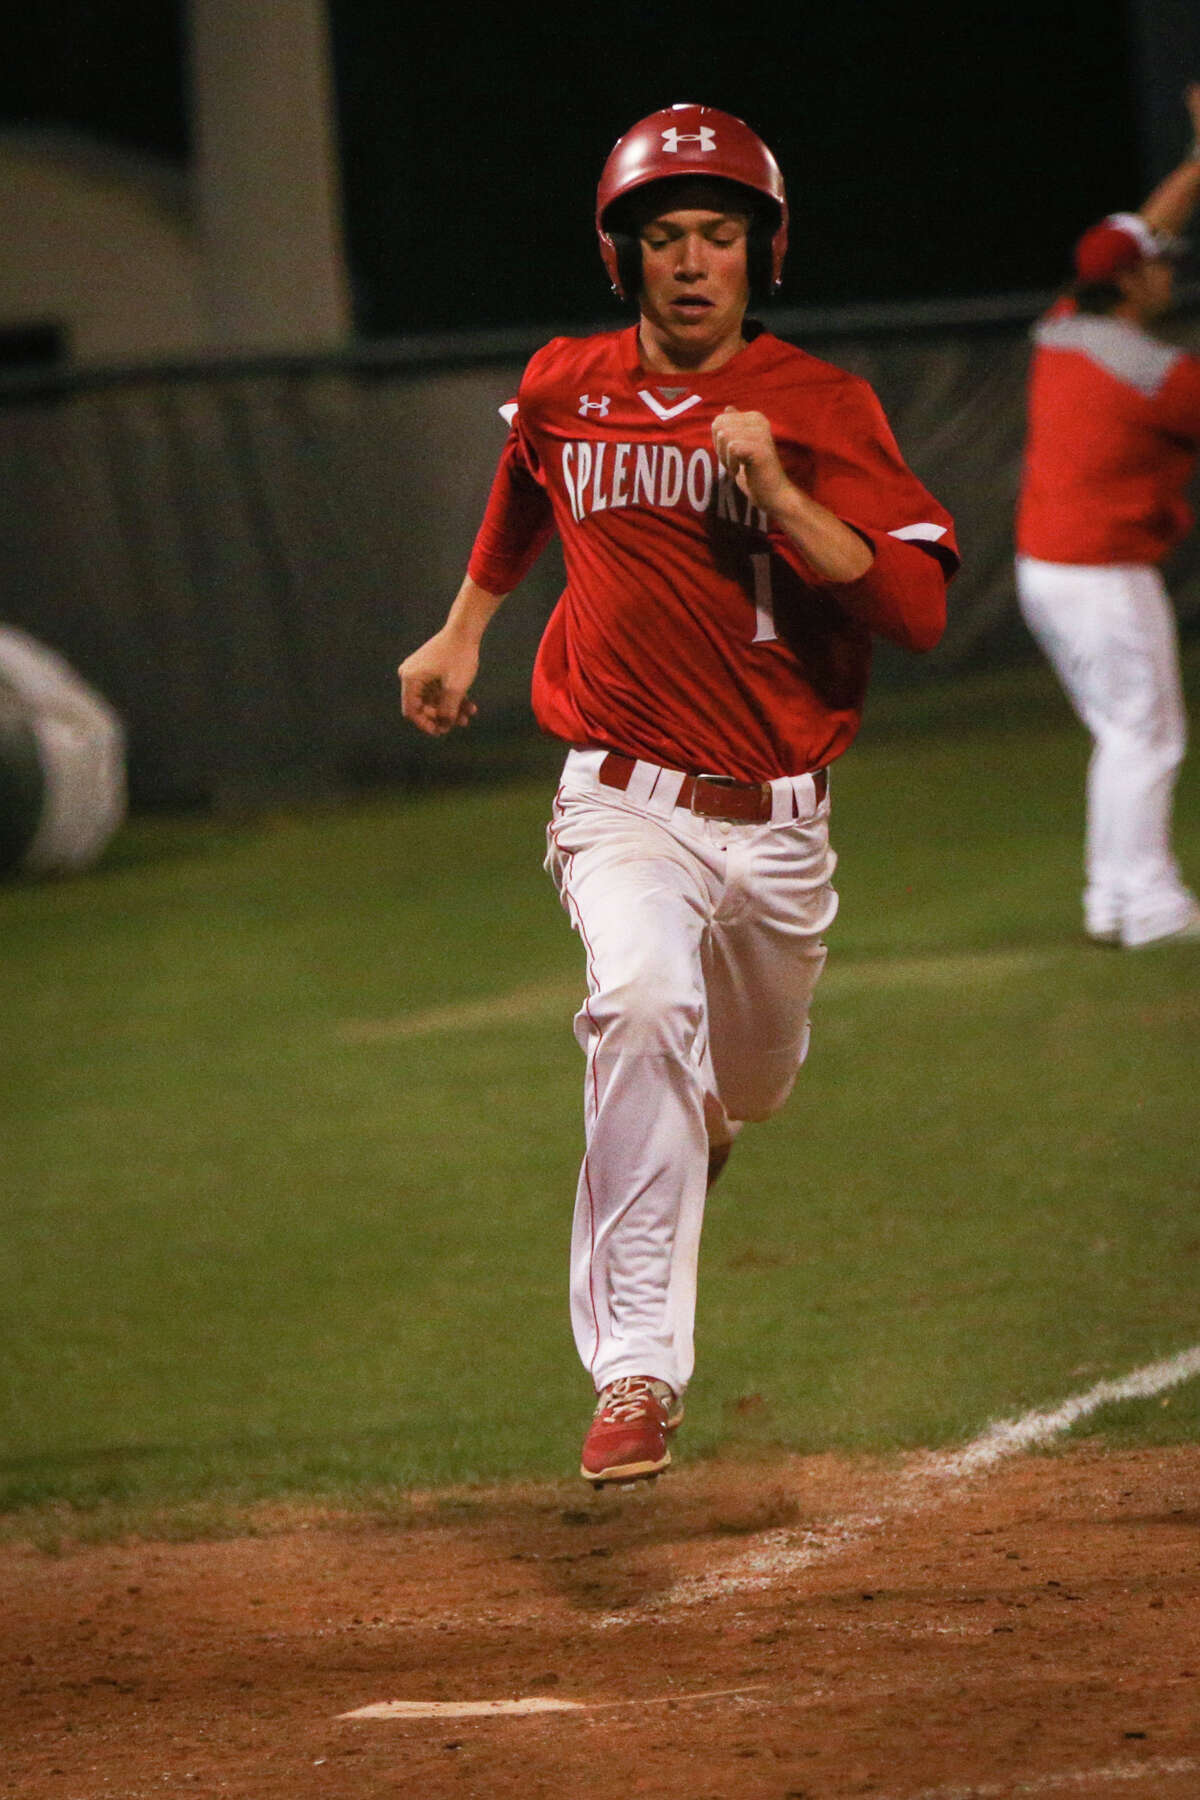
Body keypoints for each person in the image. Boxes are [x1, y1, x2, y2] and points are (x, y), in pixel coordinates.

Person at [399, 104, 959, 1487]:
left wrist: (777, 491)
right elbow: (530, 474)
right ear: (623, 257)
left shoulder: (823, 408)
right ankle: (636, 1371)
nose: (692, 260)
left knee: (751, 1087)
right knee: (642, 1005)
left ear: (762, 252)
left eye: (718, 234)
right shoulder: (562, 383)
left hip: (778, 824)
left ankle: (702, 1126)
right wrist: (467, 623)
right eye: (665, 237)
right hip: (620, 794)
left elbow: (919, 610)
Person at [1015, 83, 1200, 949]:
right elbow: (1144, 244)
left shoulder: (1061, 326)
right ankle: (1150, 906)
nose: (1170, 266)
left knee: (1126, 734)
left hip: (1050, 571)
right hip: (1101, 576)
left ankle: (1114, 900)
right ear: (1128, 282)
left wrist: (1199, 166)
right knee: (1147, 737)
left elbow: (1144, 231)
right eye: (1156, 263)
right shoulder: (1151, 372)